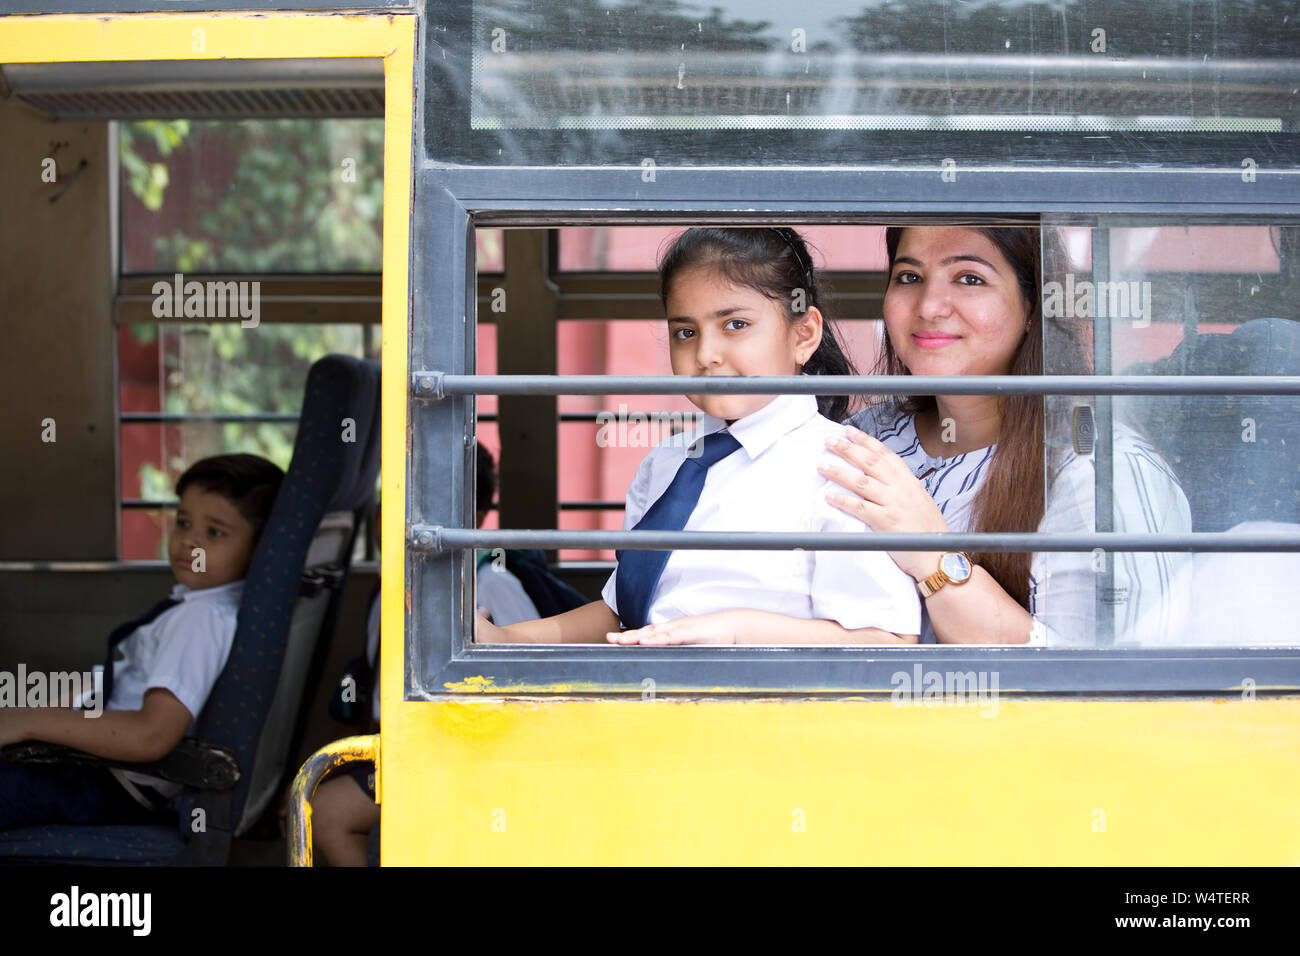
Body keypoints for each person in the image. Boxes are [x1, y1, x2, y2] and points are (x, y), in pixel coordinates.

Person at [477, 226, 921, 646]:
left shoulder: (843, 470)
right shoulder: (666, 462)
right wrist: (506, 638)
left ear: (803, 334)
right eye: (685, 332)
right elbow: (628, 615)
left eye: (735, 325)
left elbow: (886, 640)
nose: (706, 355)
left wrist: (736, 630)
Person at [818, 224, 1191, 645]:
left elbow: (1108, 688)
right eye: (910, 277)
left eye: (969, 279)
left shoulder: (1102, 474)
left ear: (1035, 306)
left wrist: (932, 557)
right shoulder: (861, 439)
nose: (930, 306)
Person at [0, 453, 284, 828]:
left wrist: (29, 720)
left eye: (215, 533)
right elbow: (125, 681)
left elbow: (151, 736)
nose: (188, 542)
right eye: (183, 523)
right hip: (104, 775)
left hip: (104, 785)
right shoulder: (206, 606)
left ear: (259, 549)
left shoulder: (200, 620)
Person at [311, 444, 558, 866]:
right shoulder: (389, 590)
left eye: (426, 509)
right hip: (407, 748)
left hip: (472, 757)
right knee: (318, 803)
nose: (400, 522)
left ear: (475, 520)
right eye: (391, 502)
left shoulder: (490, 584)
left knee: (330, 813)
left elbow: (537, 690)